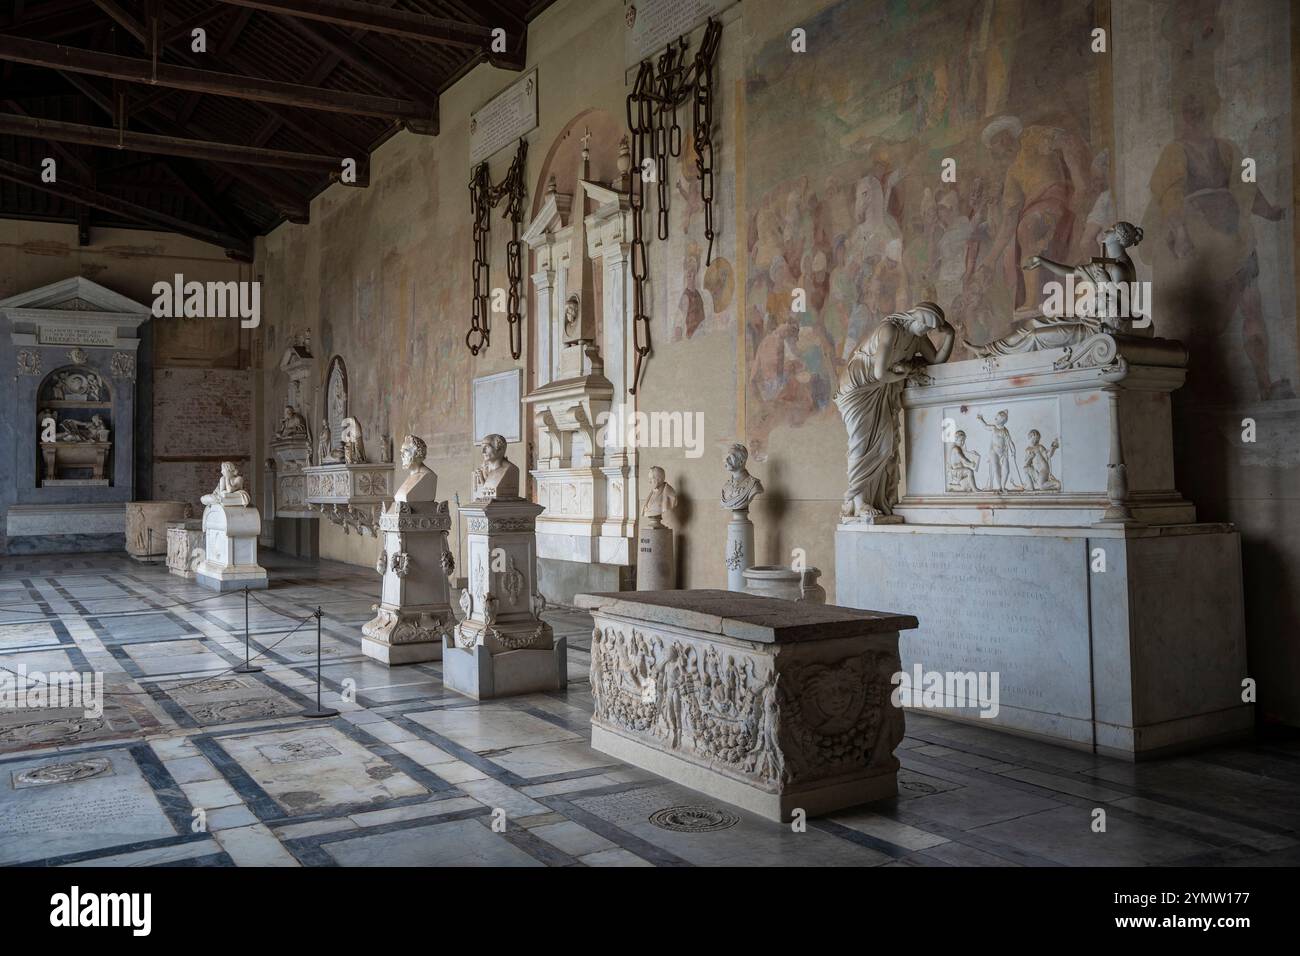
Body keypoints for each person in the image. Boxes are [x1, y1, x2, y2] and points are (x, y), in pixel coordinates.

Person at [834, 302, 954, 518]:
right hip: (858, 387)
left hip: (880, 389)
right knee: (860, 442)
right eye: (925, 326)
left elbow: (936, 360)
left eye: (930, 329)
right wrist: (906, 373)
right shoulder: (890, 330)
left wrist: (950, 335)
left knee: (883, 444)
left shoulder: (916, 338)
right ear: (915, 318)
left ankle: (869, 499)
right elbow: (880, 373)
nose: (926, 332)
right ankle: (858, 501)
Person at [472, 433, 520, 500]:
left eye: (487, 447)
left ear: (500, 449)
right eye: (482, 448)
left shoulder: (511, 469)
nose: (483, 452)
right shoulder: (483, 470)